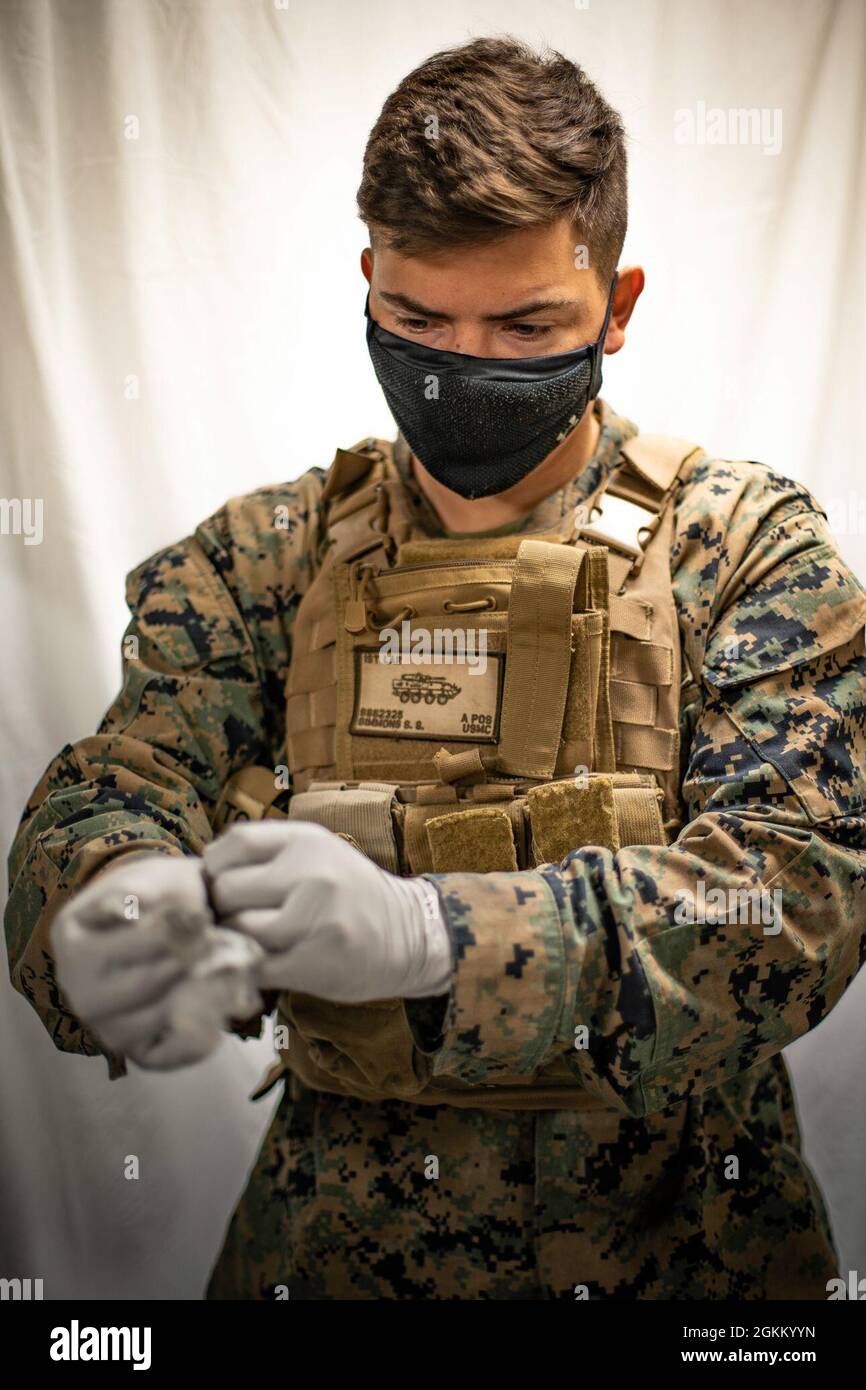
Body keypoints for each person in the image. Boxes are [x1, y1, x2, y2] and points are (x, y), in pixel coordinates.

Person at [6, 35, 866, 1301]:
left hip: (683, 1260)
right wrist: (105, 902)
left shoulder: (738, 550)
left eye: (525, 325)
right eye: (414, 320)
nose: (460, 365)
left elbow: (795, 895)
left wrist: (430, 935)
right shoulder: (269, 559)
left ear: (616, 306)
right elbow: (122, 777)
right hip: (329, 1256)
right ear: (366, 283)